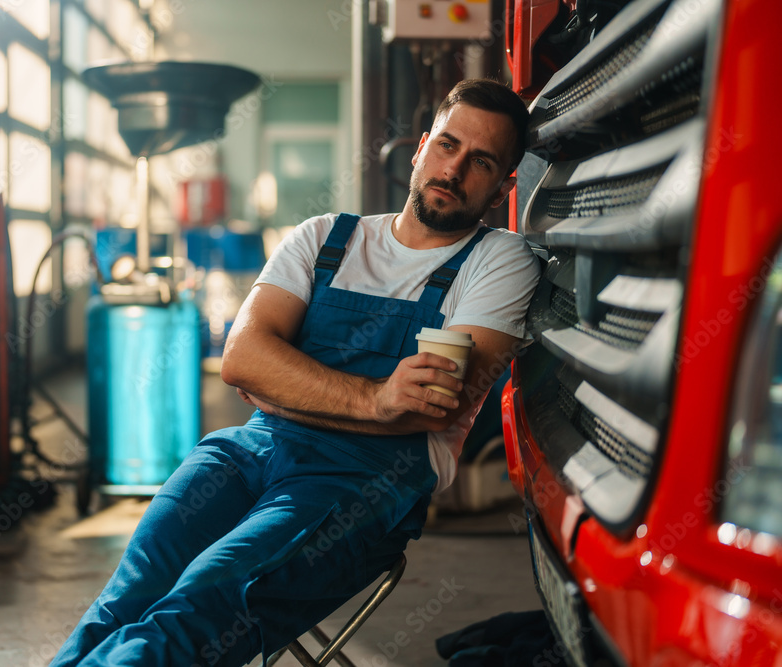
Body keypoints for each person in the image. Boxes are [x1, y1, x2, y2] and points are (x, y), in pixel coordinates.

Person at [51, 78, 540, 667]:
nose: (454, 170)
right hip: (247, 450)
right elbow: (243, 359)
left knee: (206, 600)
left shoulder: (501, 262)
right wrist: (378, 399)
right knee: (128, 595)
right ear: (419, 149)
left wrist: (291, 386)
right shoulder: (325, 236)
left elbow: (425, 407)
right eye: (446, 145)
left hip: (361, 485)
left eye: (481, 161)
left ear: (503, 186)